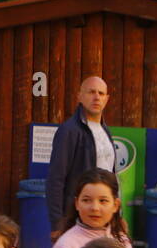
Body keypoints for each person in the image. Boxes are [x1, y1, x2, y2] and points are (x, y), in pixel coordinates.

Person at [46, 76, 115, 239]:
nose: (96, 97)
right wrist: (57, 223)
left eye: (101, 93)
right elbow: (55, 179)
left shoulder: (106, 132)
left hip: (103, 216)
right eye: (91, 92)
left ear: (107, 99)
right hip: (76, 218)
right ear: (80, 96)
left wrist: (117, 215)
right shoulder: (69, 131)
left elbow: (111, 177)